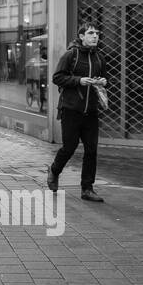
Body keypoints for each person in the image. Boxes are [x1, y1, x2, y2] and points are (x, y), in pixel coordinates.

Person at [46, 22, 110, 202]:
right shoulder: (71, 55)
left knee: (91, 150)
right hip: (71, 109)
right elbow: (57, 77)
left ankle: (87, 189)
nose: (95, 36)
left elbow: (106, 79)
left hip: (91, 111)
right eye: (90, 33)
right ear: (82, 36)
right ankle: (54, 170)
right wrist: (79, 80)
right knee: (69, 147)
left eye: (97, 33)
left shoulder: (99, 57)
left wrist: (103, 82)